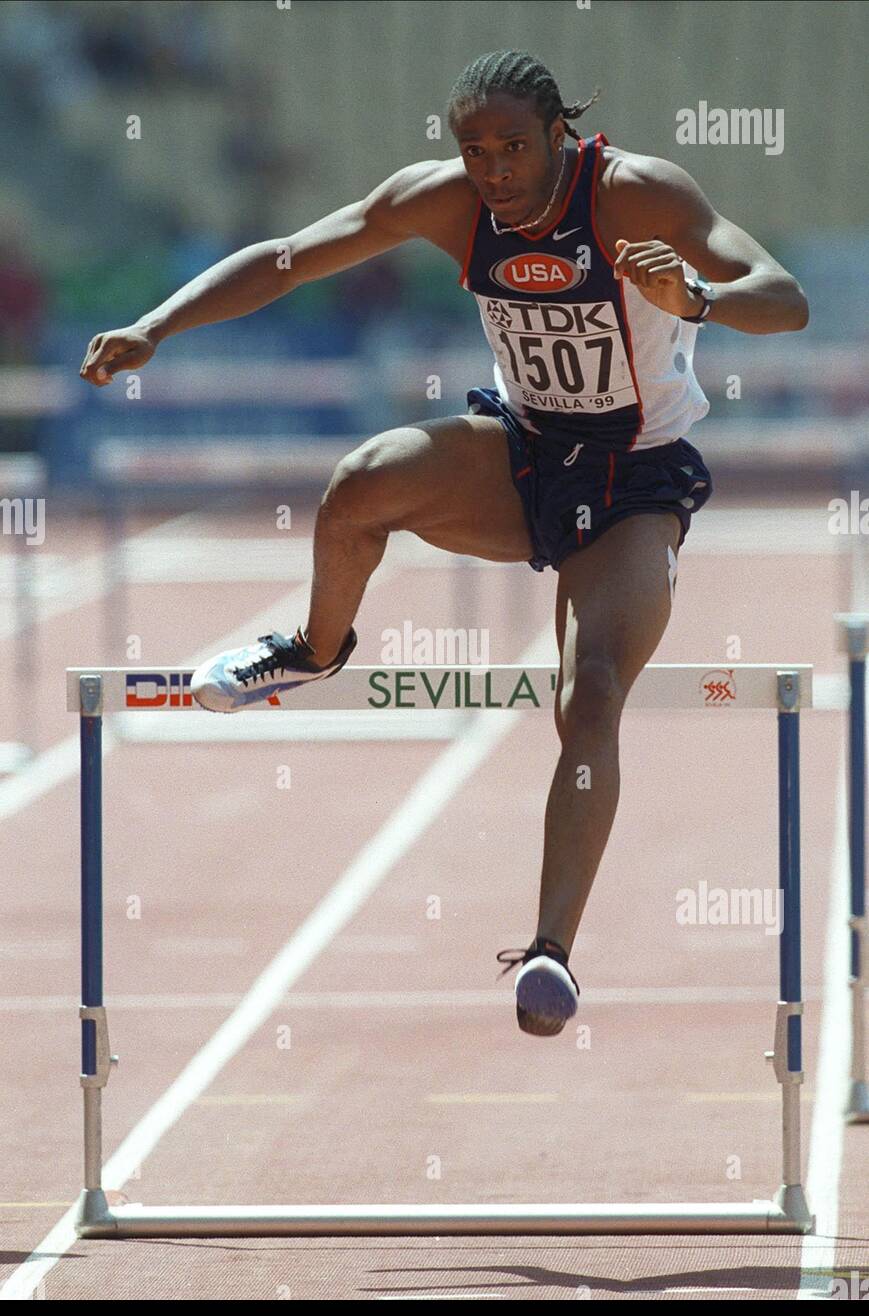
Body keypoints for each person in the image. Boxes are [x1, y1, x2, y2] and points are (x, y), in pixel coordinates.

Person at [80, 51, 809, 1038]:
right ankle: (311, 650)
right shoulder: (446, 203)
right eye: (476, 150)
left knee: (588, 691)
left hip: (632, 477)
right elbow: (291, 254)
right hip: (519, 457)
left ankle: (549, 951)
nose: (495, 168)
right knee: (359, 485)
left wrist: (697, 300)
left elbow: (782, 293)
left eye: (514, 147)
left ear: (561, 135)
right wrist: (156, 326)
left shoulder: (635, 195)